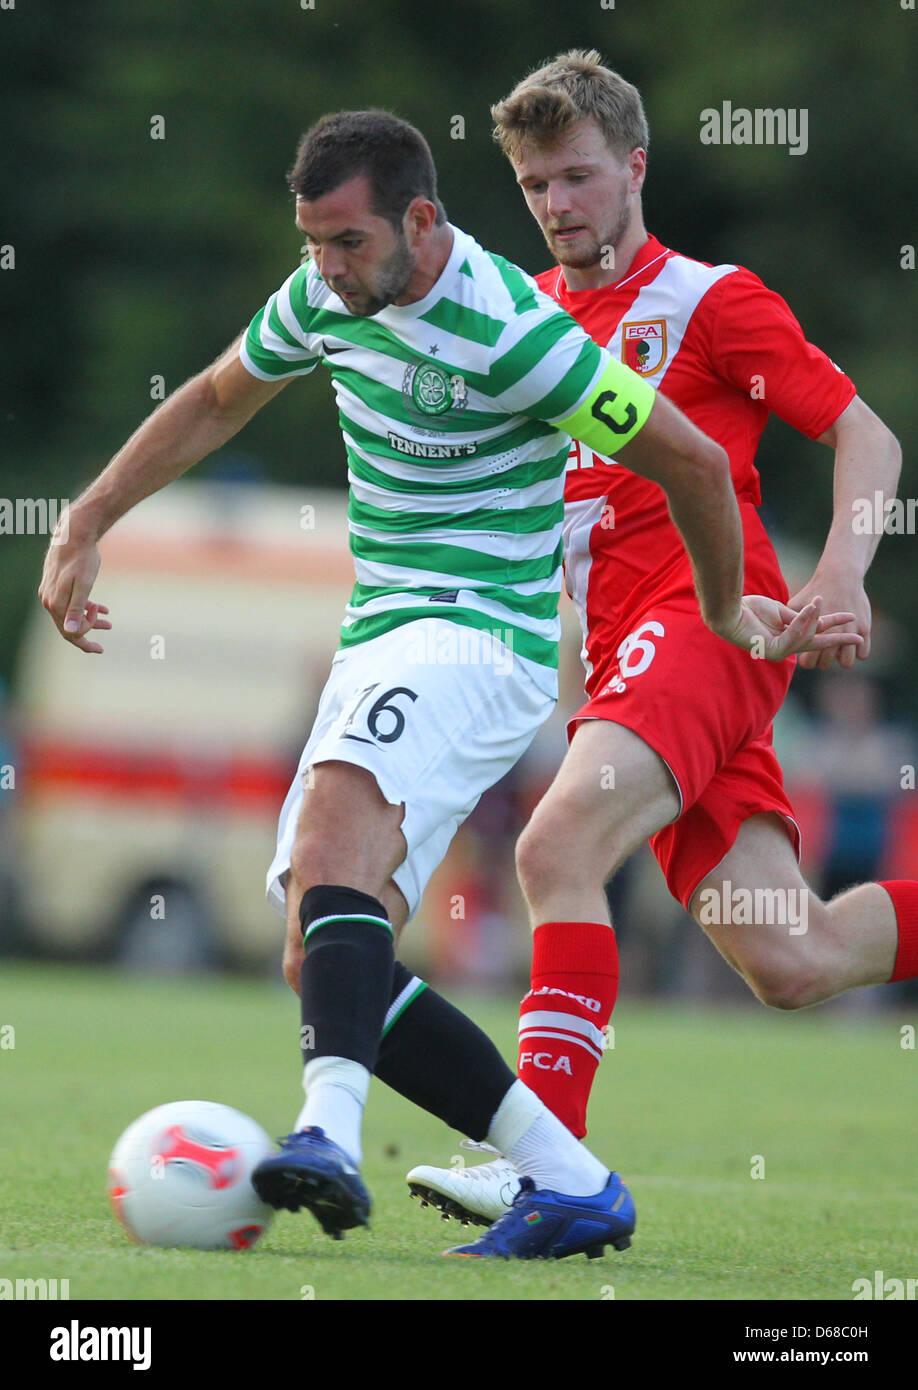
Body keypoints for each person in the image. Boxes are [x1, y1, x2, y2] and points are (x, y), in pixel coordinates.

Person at [39, 108, 855, 1261]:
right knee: (327, 947)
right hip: (383, 632)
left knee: (338, 844)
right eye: (313, 242)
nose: (326, 269)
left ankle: (325, 1131)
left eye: (349, 244)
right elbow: (219, 396)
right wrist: (86, 518)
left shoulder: (515, 332)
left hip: (481, 639)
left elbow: (694, 456)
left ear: (421, 221)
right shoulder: (323, 294)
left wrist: (724, 609)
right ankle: (571, 1180)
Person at [405, 51, 910, 1244]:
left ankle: (543, 1167)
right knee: (796, 956)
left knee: (556, 842)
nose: (560, 205)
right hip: (626, 662)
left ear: (635, 166)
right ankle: (550, 1168)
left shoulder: (709, 299)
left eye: (579, 176)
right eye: (535, 186)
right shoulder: (528, 316)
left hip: (711, 625)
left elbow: (867, 437)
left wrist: (843, 572)